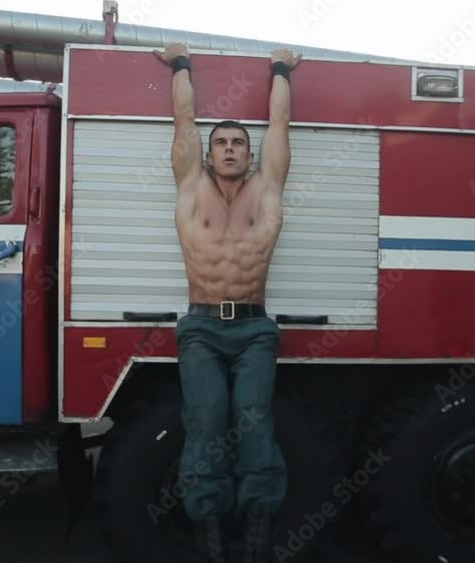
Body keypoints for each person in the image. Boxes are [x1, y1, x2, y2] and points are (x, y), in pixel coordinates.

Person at [153, 42, 301, 563]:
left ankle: (257, 535)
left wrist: (281, 69)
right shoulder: (191, 188)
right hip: (202, 329)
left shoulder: (267, 190)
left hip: (255, 330)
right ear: (209, 153)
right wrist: (180, 64)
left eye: (239, 142)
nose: (231, 149)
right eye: (222, 143)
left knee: (256, 425)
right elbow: (184, 118)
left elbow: (279, 124)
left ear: (251, 154)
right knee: (206, 425)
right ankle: (210, 538)